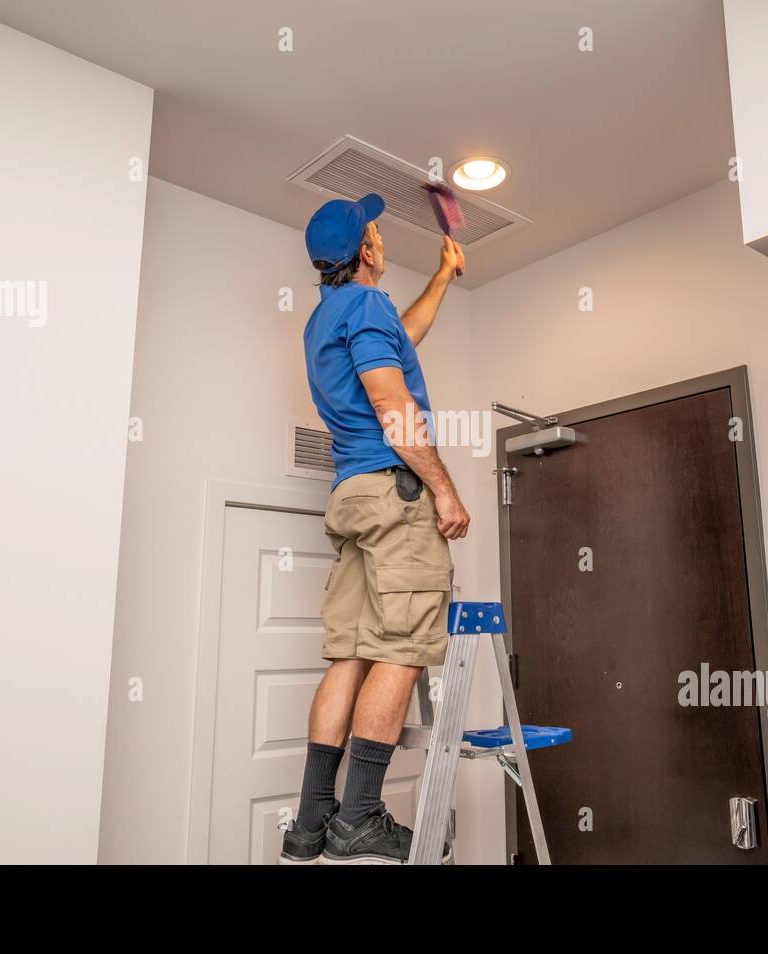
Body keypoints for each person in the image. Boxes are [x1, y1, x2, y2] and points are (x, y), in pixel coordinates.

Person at [280, 193, 470, 864]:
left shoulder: (330, 317)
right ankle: (359, 813)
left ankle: (311, 820)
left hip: (352, 497)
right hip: (395, 494)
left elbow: (401, 335)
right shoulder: (364, 308)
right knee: (400, 645)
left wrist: (443, 276)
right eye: (379, 235)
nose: (383, 243)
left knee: (350, 653)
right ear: (366, 252)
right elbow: (392, 403)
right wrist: (445, 490)